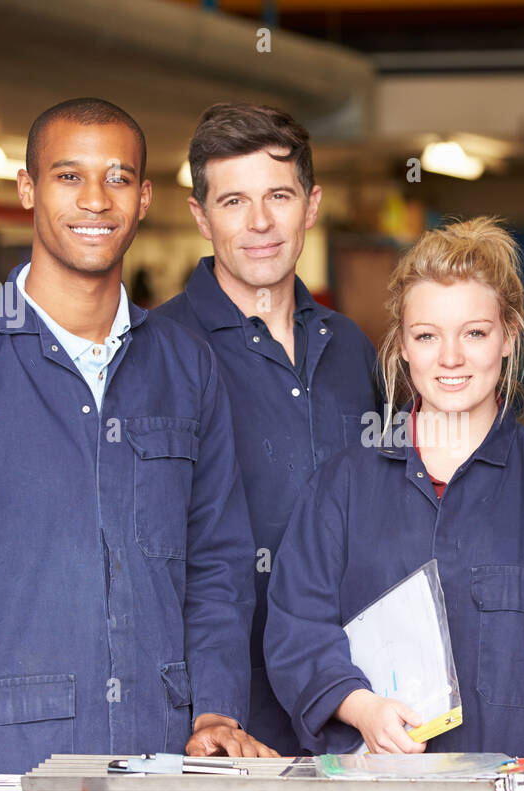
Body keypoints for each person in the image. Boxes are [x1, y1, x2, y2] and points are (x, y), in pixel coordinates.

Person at [0, 98, 273, 791]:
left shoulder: (187, 370)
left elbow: (219, 568)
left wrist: (217, 708)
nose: (96, 200)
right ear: (27, 189)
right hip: (1, 789)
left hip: (162, 778)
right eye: (69, 176)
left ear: (145, 199)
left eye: (119, 177)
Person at [262, 217, 524, 756]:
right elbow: (297, 631)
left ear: (508, 337)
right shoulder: (341, 488)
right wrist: (359, 707)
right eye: (427, 336)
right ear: (403, 348)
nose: (451, 358)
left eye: (475, 333)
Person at [153, 103, 379, 756]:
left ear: (310, 205)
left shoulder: (351, 348)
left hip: (351, 704)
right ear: (201, 216)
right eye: (233, 201)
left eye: (278, 196)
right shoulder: (158, 351)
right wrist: (207, 710)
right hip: (216, 720)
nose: (259, 223)